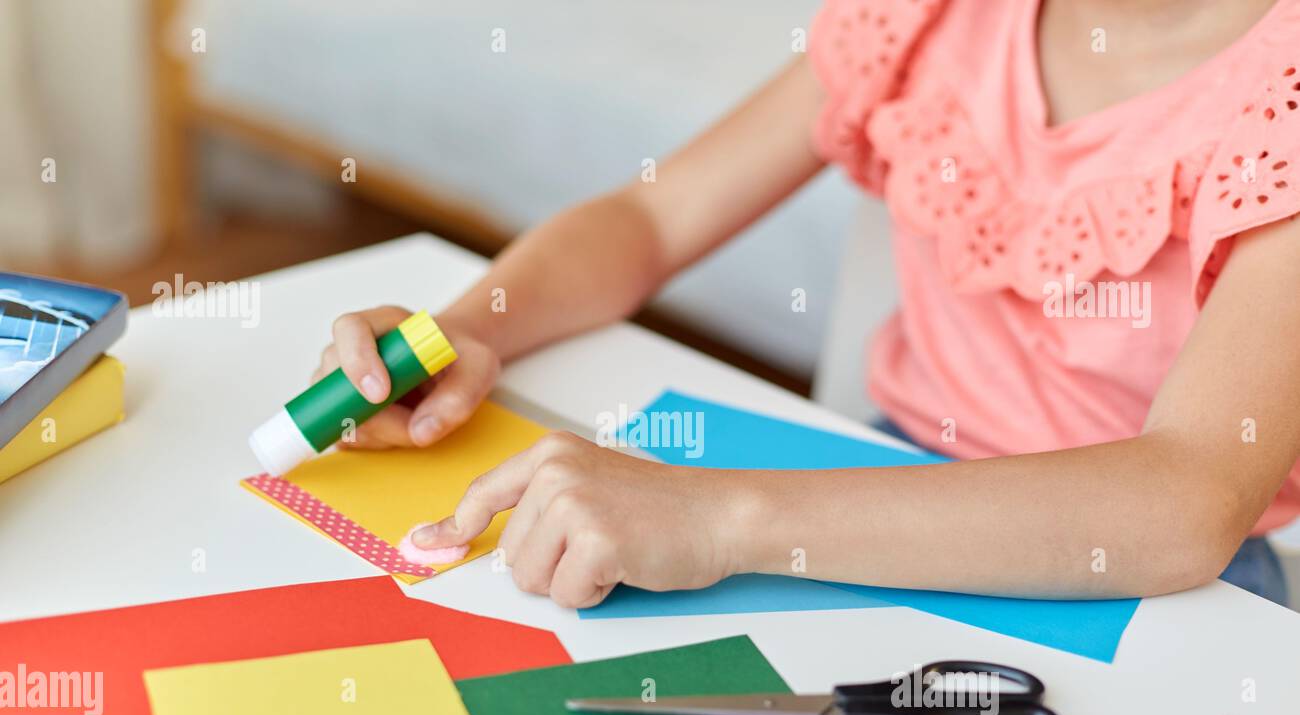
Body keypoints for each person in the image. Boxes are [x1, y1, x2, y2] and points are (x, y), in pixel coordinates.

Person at [313, 0, 1300, 609]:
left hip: (1164, 587)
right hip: (874, 479)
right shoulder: (930, 13)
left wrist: (718, 518)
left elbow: (1184, 501)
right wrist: (462, 333)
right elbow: (652, 217)